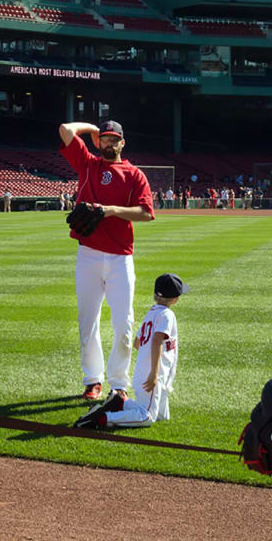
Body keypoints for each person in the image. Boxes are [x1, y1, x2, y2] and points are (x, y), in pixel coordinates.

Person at [59, 119, 155, 401]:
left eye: (114, 139)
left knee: (123, 325)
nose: (109, 143)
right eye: (105, 139)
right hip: (88, 254)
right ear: (98, 141)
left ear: (123, 143)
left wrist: (110, 210)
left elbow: (146, 212)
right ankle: (92, 380)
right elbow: (65, 129)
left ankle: (118, 384)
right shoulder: (88, 164)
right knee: (88, 321)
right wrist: (91, 129)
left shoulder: (134, 174)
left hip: (120, 258)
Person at [74, 273, 187, 430]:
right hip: (152, 375)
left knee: (162, 416)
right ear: (175, 298)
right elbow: (156, 341)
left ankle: (121, 402)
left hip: (143, 372)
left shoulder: (152, 312)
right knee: (146, 417)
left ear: (155, 295)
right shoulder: (167, 315)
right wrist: (154, 373)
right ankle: (101, 418)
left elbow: (136, 343)